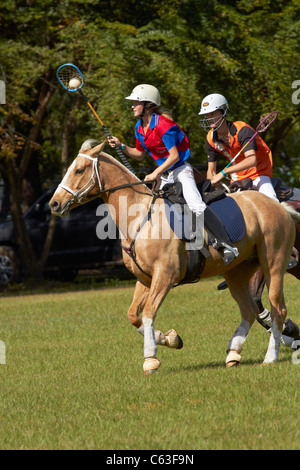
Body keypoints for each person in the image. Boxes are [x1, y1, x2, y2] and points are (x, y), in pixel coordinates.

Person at [107, 84, 239, 265]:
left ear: (148, 105)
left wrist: (155, 172)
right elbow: (138, 155)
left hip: (180, 170)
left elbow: (174, 156)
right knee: (155, 209)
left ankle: (226, 245)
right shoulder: (139, 127)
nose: (132, 106)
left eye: (136, 102)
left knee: (196, 205)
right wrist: (121, 146)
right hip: (164, 175)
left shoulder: (163, 125)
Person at [198, 93, 279, 201]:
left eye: (212, 113)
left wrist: (224, 172)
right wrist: (211, 186)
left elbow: (251, 160)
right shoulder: (210, 138)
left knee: (272, 203)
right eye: (207, 115)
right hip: (238, 179)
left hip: (259, 174)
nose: (209, 118)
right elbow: (211, 171)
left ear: (223, 111)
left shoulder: (243, 130)